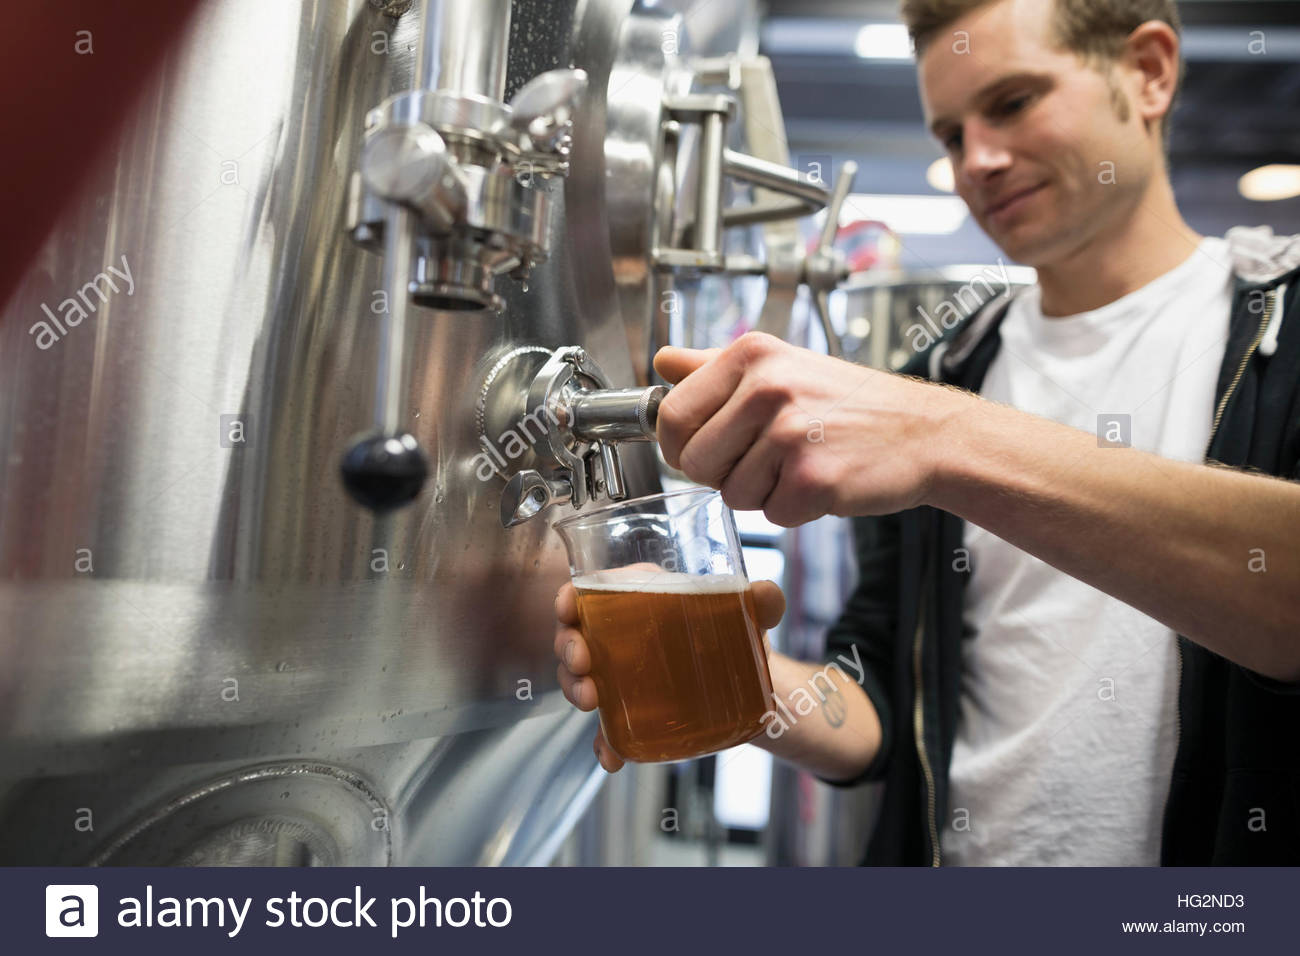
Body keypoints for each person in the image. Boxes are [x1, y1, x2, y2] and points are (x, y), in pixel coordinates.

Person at [554, 0, 1300, 865]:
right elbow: (879, 702)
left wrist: (944, 441)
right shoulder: (949, 365)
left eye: (1014, 102)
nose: (977, 159)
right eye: (950, 135)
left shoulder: (1277, 338)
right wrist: (733, 684)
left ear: (1149, 71)